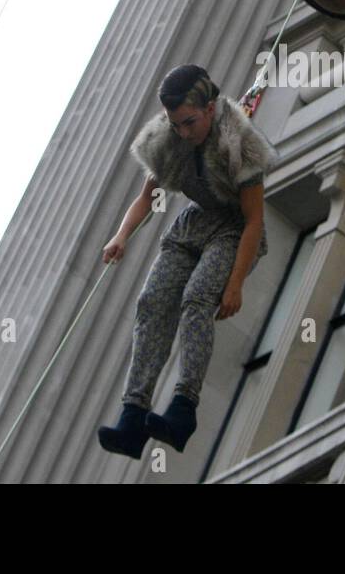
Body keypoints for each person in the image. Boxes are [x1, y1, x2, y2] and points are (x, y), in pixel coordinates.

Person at [97, 64, 274, 458]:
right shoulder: (170, 140)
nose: (183, 132)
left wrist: (236, 283)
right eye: (175, 124)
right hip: (192, 225)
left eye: (189, 122)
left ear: (210, 109)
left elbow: (254, 220)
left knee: (196, 300)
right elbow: (147, 197)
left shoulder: (239, 144)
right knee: (153, 302)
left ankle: (183, 406)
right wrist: (121, 235)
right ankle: (133, 414)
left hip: (233, 229)